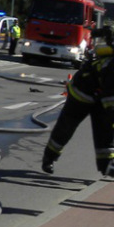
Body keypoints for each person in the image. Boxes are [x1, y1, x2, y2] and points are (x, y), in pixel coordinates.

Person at [41, 28, 114, 176]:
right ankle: (49, 158)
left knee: (105, 133)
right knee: (66, 127)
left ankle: (106, 166)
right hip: (82, 92)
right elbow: (110, 96)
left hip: (100, 97)